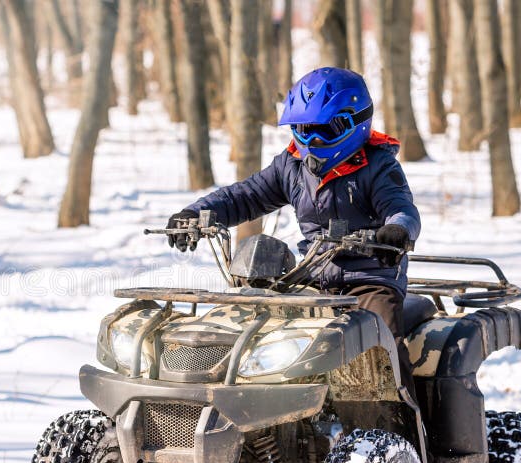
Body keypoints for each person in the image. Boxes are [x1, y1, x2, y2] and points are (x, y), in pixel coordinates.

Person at [166, 67, 421, 400]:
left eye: (324, 130)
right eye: (302, 129)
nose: (311, 141)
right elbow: (246, 195)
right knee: (262, 330)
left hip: (369, 277)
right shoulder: (292, 165)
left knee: (381, 340)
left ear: (354, 123)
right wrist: (196, 214)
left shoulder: (378, 166)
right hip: (312, 278)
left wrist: (396, 232)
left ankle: (404, 421)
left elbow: (401, 207)